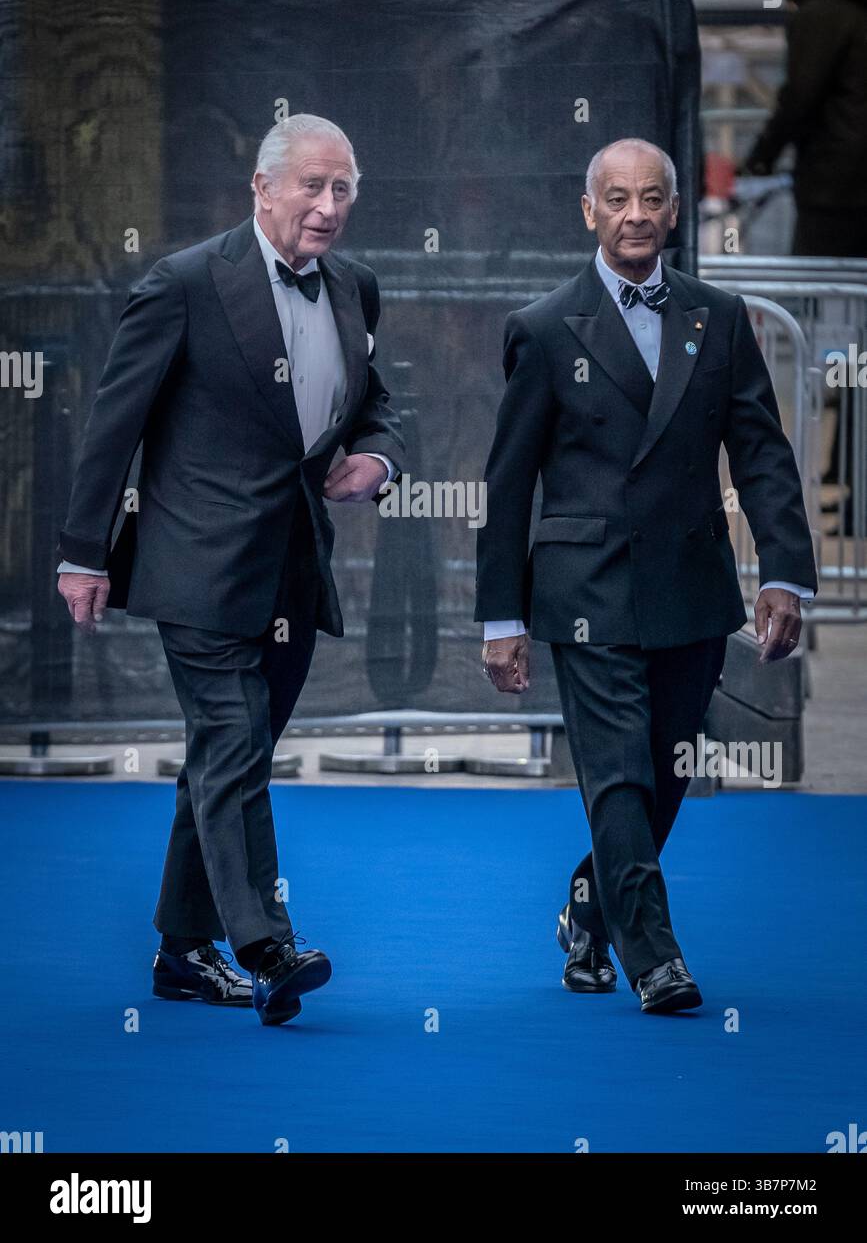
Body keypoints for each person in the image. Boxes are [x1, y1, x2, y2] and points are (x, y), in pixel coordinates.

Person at [56, 114, 404, 1027]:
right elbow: (112, 427)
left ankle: (180, 951)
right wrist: (82, 552)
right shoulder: (181, 283)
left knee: (225, 755)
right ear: (261, 188)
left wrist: (379, 459)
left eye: (342, 191)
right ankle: (267, 944)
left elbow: (378, 406)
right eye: (311, 188)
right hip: (196, 566)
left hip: (293, 569)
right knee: (234, 746)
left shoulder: (356, 287)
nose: (328, 208)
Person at [475, 138, 817, 1014]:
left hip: (691, 587)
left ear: (673, 212)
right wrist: (500, 618)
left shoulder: (720, 316)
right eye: (616, 199)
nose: (635, 214)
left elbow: (763, 458)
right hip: (584, 590)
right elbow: (508, 485)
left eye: (651, 198)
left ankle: (590, 912)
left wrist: (786, 573)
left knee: (666, 771)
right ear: (588, 211)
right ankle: (655, 957)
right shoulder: (544, 327)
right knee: (618, 772)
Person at [743, 0, 867, 257]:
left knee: (817, 284)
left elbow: (800, 95)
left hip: (835, 182)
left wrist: (761, 157)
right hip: (853, 178)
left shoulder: (820, 15)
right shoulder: (858, 11)